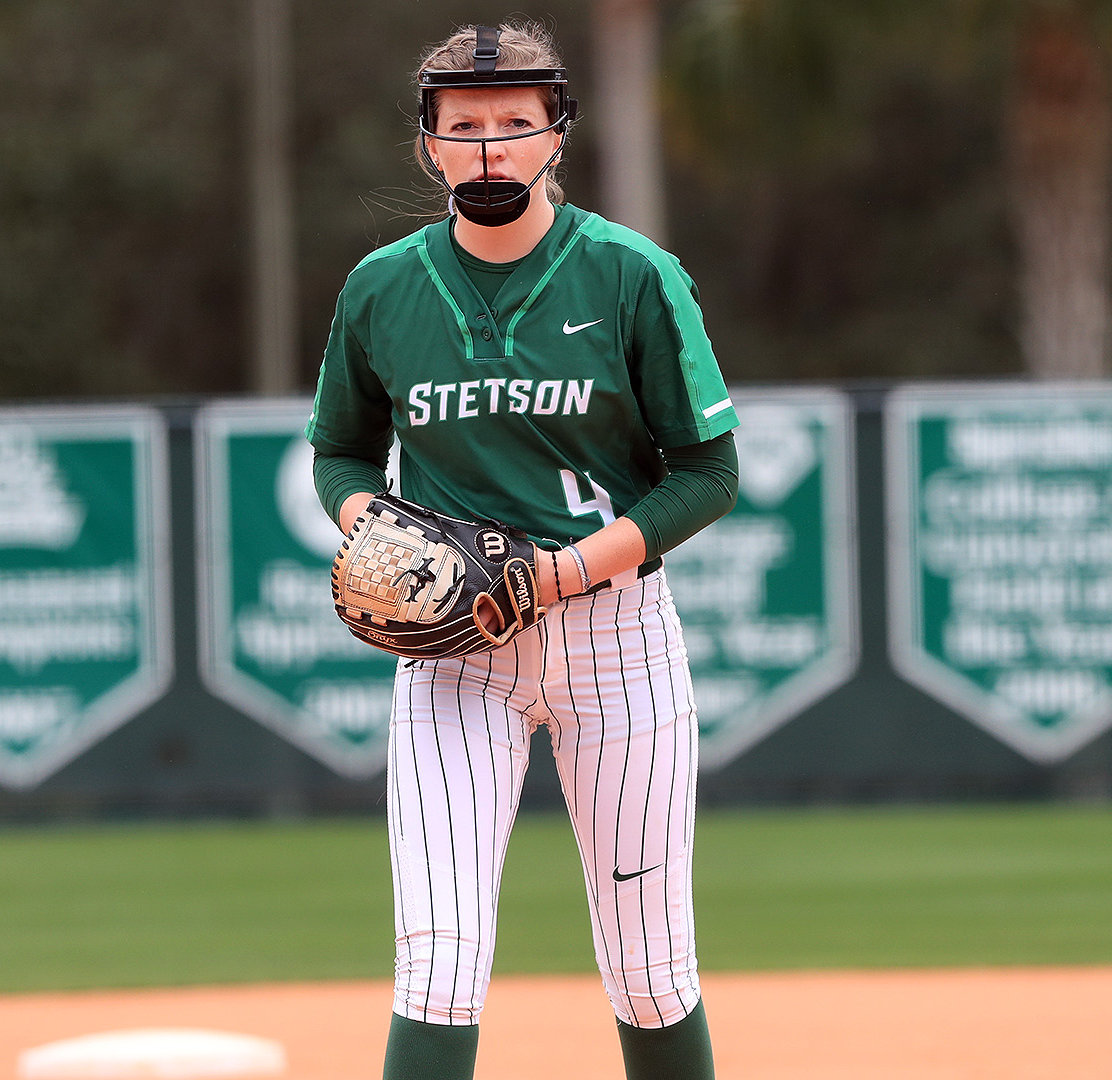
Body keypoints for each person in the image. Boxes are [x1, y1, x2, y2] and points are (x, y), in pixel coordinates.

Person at [306, 22, 739, 1080]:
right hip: (454, 651)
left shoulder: (632, 276)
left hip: (616, 640)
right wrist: (380, 534)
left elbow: (708, 474)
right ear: (431, 145)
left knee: (649, 967)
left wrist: (558, 572)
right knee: (438, 963)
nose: (491, 146)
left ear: (557, 135)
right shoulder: (380, 289)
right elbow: (341, 456)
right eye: (465, 126)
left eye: (515, 122)